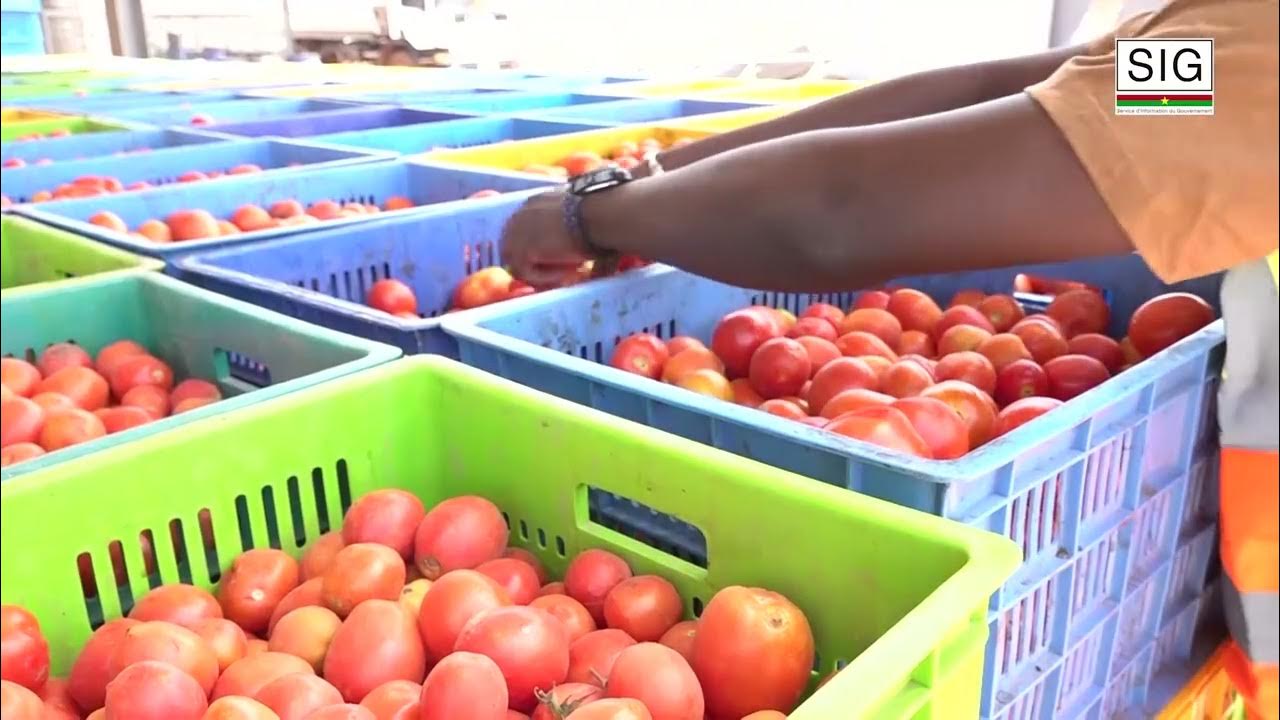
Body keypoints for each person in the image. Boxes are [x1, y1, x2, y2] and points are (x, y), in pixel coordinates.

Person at [498, 0, 1278, 716]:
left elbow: (839, 213)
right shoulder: (1227, 42)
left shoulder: (1253, 59)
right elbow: (1003, 94)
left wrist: (596, 217)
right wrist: (639, 186)